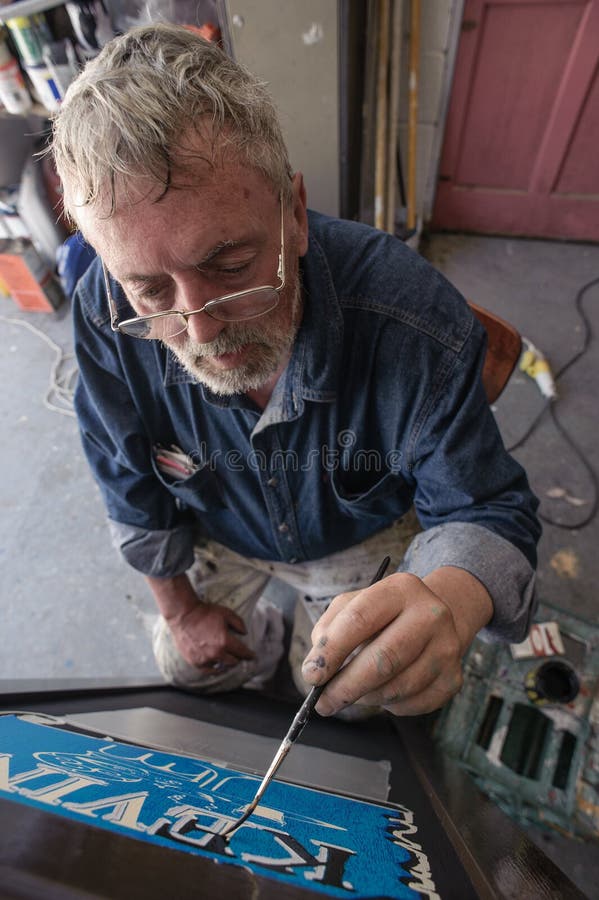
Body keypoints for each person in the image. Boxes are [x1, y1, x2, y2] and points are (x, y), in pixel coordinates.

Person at [51, 22, 540, 719]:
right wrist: (181, 608)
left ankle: (303, 640)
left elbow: (485, 507)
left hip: (354, 537)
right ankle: (273, 633)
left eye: (229, 266)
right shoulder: (104, 313)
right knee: (182, 667)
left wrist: (448, 602)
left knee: (351, 698)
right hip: (222, 532)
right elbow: (127, 485)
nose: (201, 329)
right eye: (151, 291)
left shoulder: (411, 319)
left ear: (295, 213)